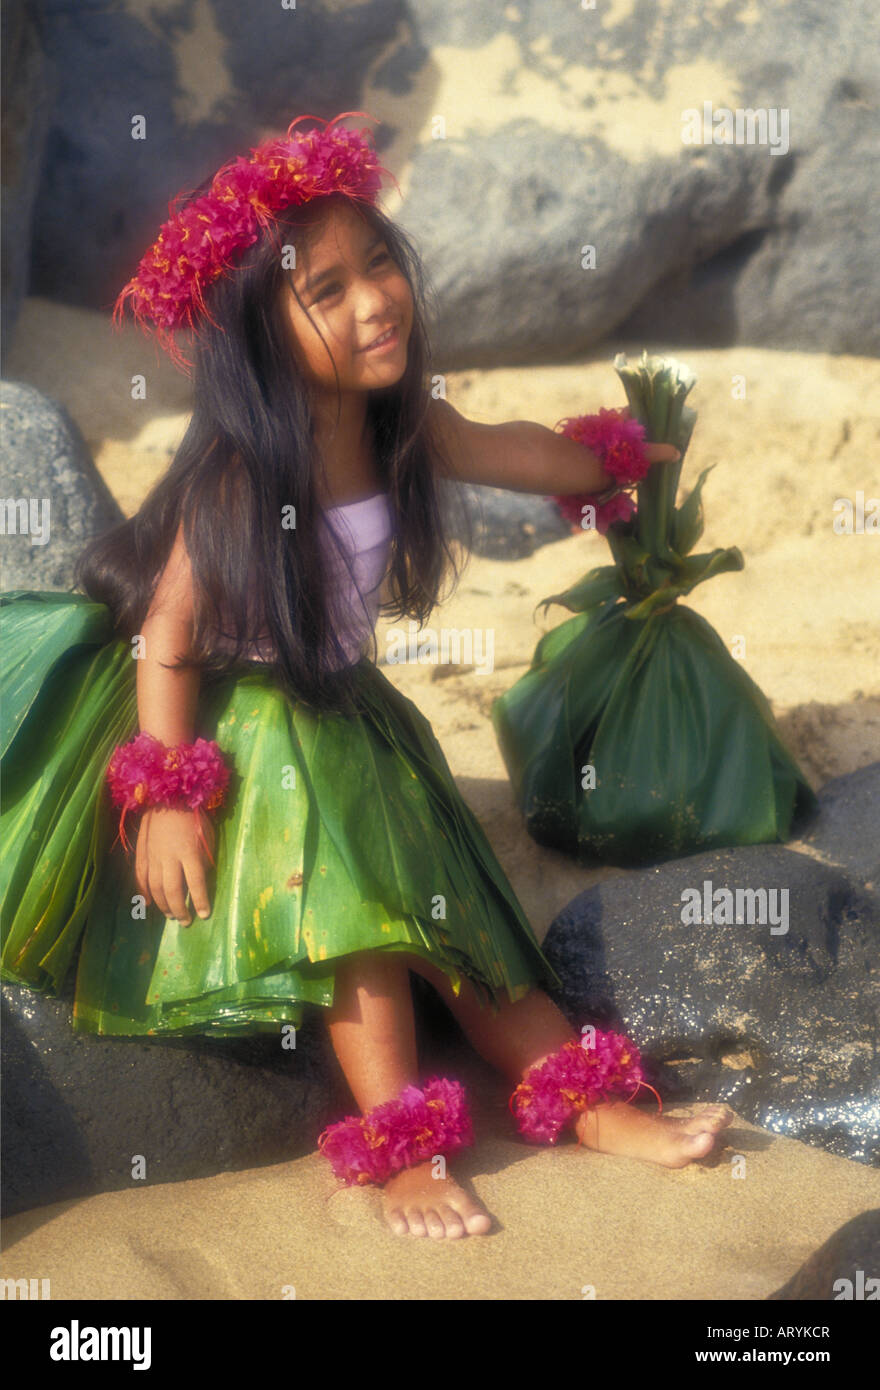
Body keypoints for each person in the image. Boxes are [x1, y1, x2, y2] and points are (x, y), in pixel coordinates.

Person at [0, 112, 732, 1241]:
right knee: (362, 921)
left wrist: (617, 460)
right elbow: (168, 634)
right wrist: (166, 797)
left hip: (349, 710)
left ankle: (582, 1101)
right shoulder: (241, 477)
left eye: (379, 264)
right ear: (262, 333)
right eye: (326, 290)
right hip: (240, 720)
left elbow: (512, 445)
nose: (374, 301)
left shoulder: (405, 426)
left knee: (472, 926)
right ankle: (398, 1144)